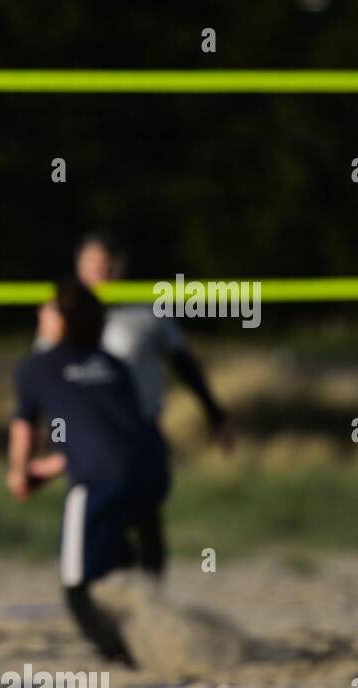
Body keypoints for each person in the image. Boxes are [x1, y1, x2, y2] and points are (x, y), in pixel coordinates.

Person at [8, 277, 171, 666]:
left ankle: (128, 655)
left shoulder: (36, 368)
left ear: (62, 320)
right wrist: (45, 470)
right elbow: (102, 438)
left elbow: (24, 430)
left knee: (76, 585)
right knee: (123, 559)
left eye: (47, 307)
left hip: (102, 481)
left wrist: (20, 472)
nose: (40, 313)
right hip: (152, 470)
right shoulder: (113, 364)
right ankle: (152, 613)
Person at [63, 232, 232, 577]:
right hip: (87, 434)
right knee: (97, 520)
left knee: (145, 516)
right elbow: (47, 375)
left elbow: (183, 364)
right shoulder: (64, 313)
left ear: (120, 268)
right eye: (94, 265)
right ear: (80, 268)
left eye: (108, 265)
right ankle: (116, 585)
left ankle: (152, 596)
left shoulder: (145, 312)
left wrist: (215, 414)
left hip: (139, 429)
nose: (102, 273)